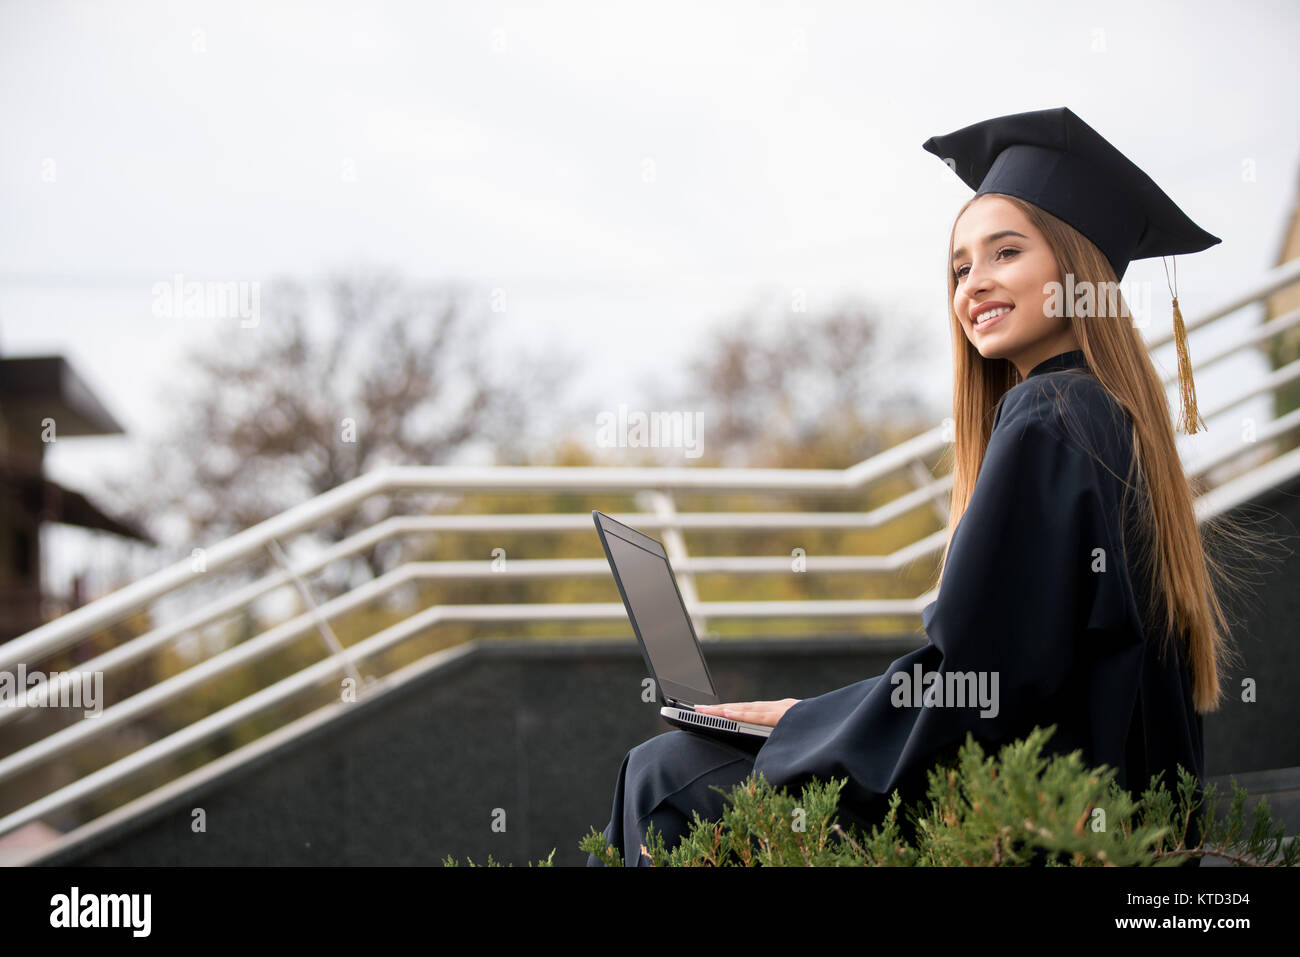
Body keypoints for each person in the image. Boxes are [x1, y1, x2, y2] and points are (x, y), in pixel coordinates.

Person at [588, 107, 1240, 867]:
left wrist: (805, 726)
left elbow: (977, 690)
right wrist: (812, 718)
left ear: (1075, 268)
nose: (976, 283)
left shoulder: (1048, 415)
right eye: (961, 267)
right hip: (1090, 822)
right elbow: (1004, 672)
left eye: (1006, 252)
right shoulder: (1110, 420)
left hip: (1028, 829)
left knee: (665, 774)